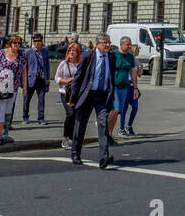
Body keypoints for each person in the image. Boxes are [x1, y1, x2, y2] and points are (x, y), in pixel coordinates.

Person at [68, 33, 115, 167]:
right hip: (87, 95)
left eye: (108, 42)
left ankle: (103, 158)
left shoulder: (111, 57)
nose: (107, 45)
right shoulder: (88, 56)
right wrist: (72, 98)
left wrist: (111, 96)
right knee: (80, 125)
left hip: (102, 96)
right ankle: (75, 153)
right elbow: (77, 77)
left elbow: (110, 77)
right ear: (97, 44)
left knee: (103, 125)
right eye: (104, 42)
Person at [0, 34, 26, 144]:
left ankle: (6, 133)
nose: (17, 45)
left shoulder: (22, 55)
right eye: (15, 43)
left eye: (19, 43)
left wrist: (25, 87)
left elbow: (24, 72)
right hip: (1, 86)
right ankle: (0, 135)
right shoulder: (2, 53)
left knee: (8, 110)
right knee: (1, 109)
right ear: (10, 43)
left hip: (13, 88)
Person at [109, 35, 139, 138]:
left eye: (130, 44)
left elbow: (133, 72)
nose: (130, 46)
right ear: (121, 45)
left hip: (125, 87)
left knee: (119, 111)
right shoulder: (114, 55)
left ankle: (109, 133)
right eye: (128, 44)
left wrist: (135, 88)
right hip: (114, 87)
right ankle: (104, 126)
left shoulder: (130, 57)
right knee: (116, 109)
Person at [55, 41, 82, 149]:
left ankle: (72, 139)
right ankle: (65, 138)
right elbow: (57, 78)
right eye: (70, 50)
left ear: (77, 53)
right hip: (65, 93)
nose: (71, 52)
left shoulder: (80, 64)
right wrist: (66, 81)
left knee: (75, 116)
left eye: (74, 51)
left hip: (76, 94)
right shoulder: (63, 64)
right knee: (70, 114)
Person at [22, 34, 49, 125]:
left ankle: (41, 118)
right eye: (35, 41)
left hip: (41, 78)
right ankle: (25, 116)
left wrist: (48, 78)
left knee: (42, 99)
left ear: (42, 41)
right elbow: (25, 67)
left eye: (38, 41)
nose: (37, 43)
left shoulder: (45, 51)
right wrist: (24, 80)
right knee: (27, 98)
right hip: (31, 78)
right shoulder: (28, 52)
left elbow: (47, 66)